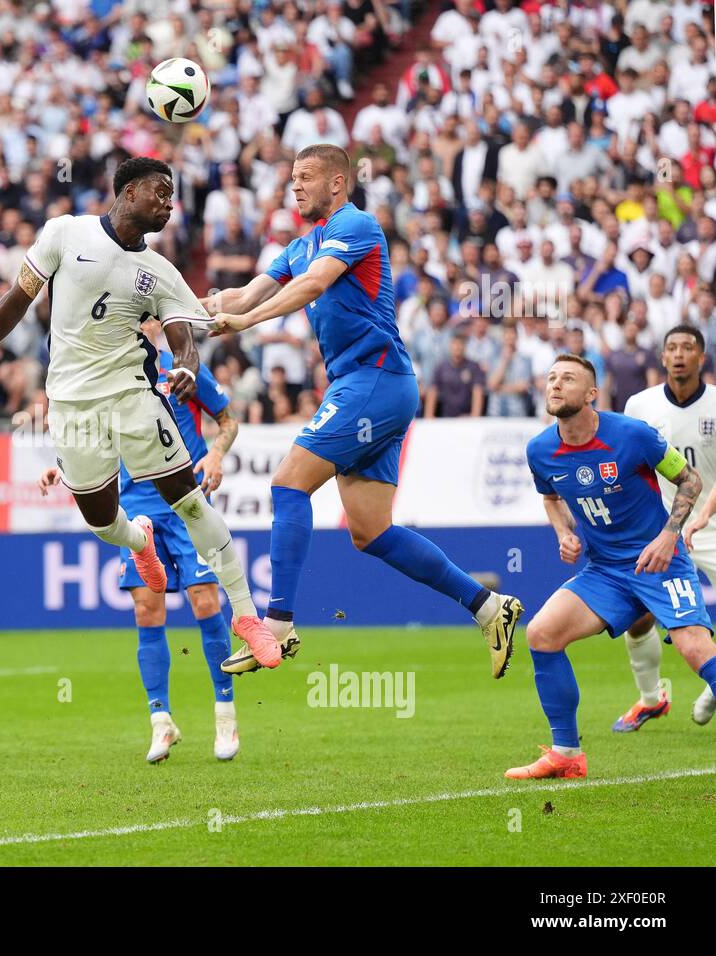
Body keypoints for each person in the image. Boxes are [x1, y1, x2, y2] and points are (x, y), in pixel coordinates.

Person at [0, 156, 281, 674]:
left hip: (133, 395)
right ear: (128, 192)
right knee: (103, 522)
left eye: (173, 196)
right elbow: (15, 302)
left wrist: (186, 367)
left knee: (189, 500)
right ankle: (139, 541)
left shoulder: (161, 272)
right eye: (160, 192)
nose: (169, 204)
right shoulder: (65, 233)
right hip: (71, 405)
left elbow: (183, 341)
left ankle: (246, 615)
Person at [209, 144, 523, 678]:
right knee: (372, 533)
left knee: (288, 485)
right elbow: (238, 296)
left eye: (305, 176)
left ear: (337, 182)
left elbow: (312, 285)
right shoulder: (299, 246)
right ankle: (489, 606)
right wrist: (180, 309)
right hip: (367, 387)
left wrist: (246, 323)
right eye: (291, 178)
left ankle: (278, 624)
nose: (294, 186)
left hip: (374, 380)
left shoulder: (355, 225)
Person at [39, 316, 241, 763]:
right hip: (137, 511)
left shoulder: (180, 370)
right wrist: (65, 468)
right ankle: (161, 721)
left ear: (151, 323)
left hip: (186, 501)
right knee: (146, 610)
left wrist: (216, 454)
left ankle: (225, 715)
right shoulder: (105, 377)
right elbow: (91, 439)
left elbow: (227, 420)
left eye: (141, 318)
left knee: (205, 600)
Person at [515, 354, 716, 779]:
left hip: (660, 562)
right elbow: (551, 498)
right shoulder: (540, 450)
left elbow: (690, 480)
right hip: (605, 571)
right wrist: (563, 532)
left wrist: (668, 536)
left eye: (568, 378)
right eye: (551, 377)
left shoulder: (632, 434)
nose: (556, 384)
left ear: (592, 393)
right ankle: (567, 754)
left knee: (694, 648)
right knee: (541, 633)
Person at [617, 325, 716, 731]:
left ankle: (712, 685)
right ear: (662, 357)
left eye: (687, 347)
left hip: (711, 524)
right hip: (658, 530)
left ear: (701, 357)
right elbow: (626, 465)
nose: (678, 354)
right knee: (635, 615)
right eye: (671, 347)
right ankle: (650, 699)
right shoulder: (639, 406)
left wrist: (705, 514)